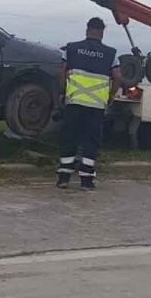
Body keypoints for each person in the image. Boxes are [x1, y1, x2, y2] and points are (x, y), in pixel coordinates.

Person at [56, 17, 122, 191]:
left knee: (69, 137)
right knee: (90, 140)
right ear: (102, 32)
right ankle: (86, 180)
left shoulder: (71, 48)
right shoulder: (111, 53)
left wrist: (63, 92)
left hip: (74, 101)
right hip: (96, 105)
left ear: (87, 30)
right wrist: (111, 95)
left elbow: (62, 71)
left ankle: (64, 177)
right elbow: (118, 77)